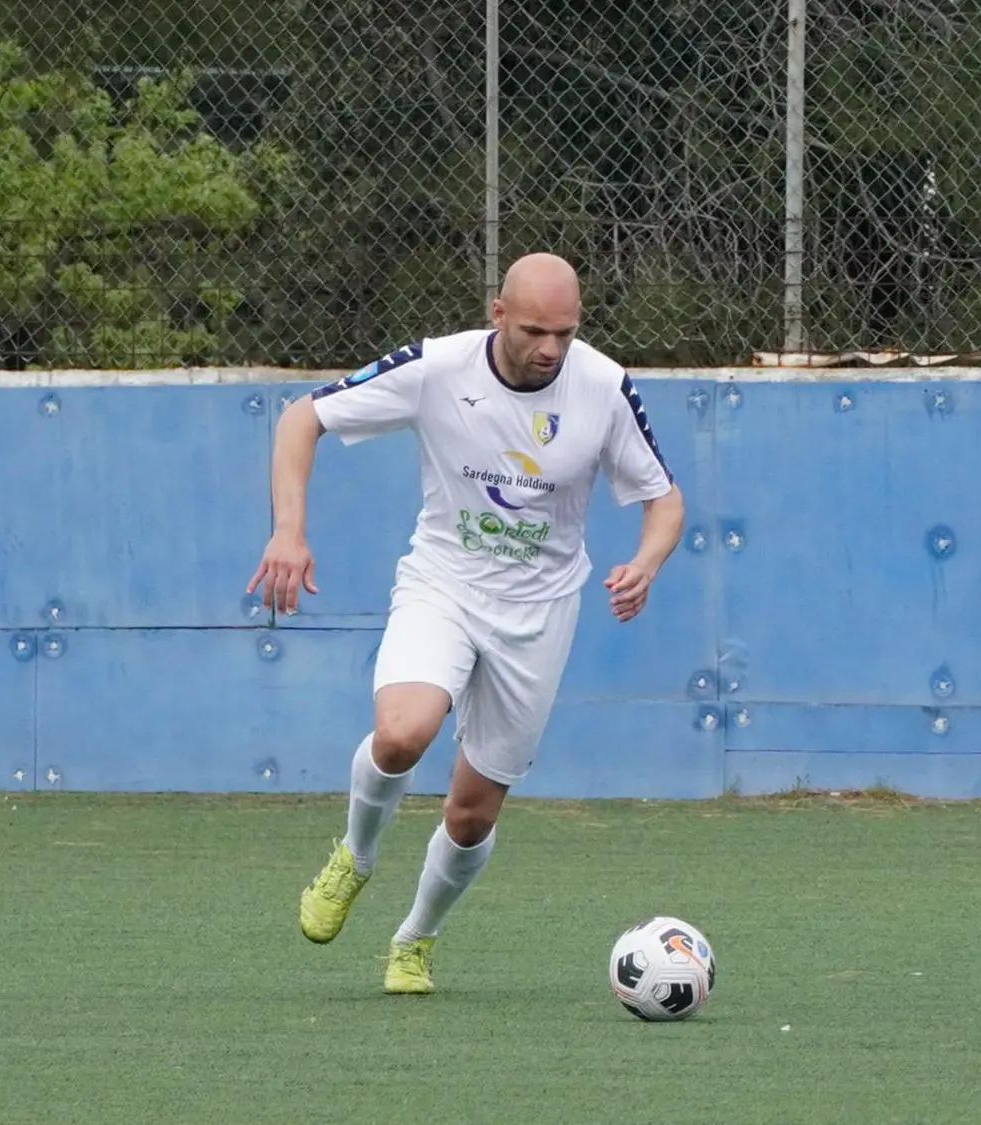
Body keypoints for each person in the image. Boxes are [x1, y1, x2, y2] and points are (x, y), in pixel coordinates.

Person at [246, 252, 686, 994]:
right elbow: (302, 417)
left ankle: (414, 938)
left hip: (539, 612)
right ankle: (355, 856)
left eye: (566, 333)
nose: (551, 348)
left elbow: (663, 498)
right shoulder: (437, 368)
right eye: (537, 330)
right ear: (498, 314)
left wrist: (647, 561)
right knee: (401, 732)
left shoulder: (604, 387)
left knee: (471, 811)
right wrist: (288, 529)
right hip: (443, 585)